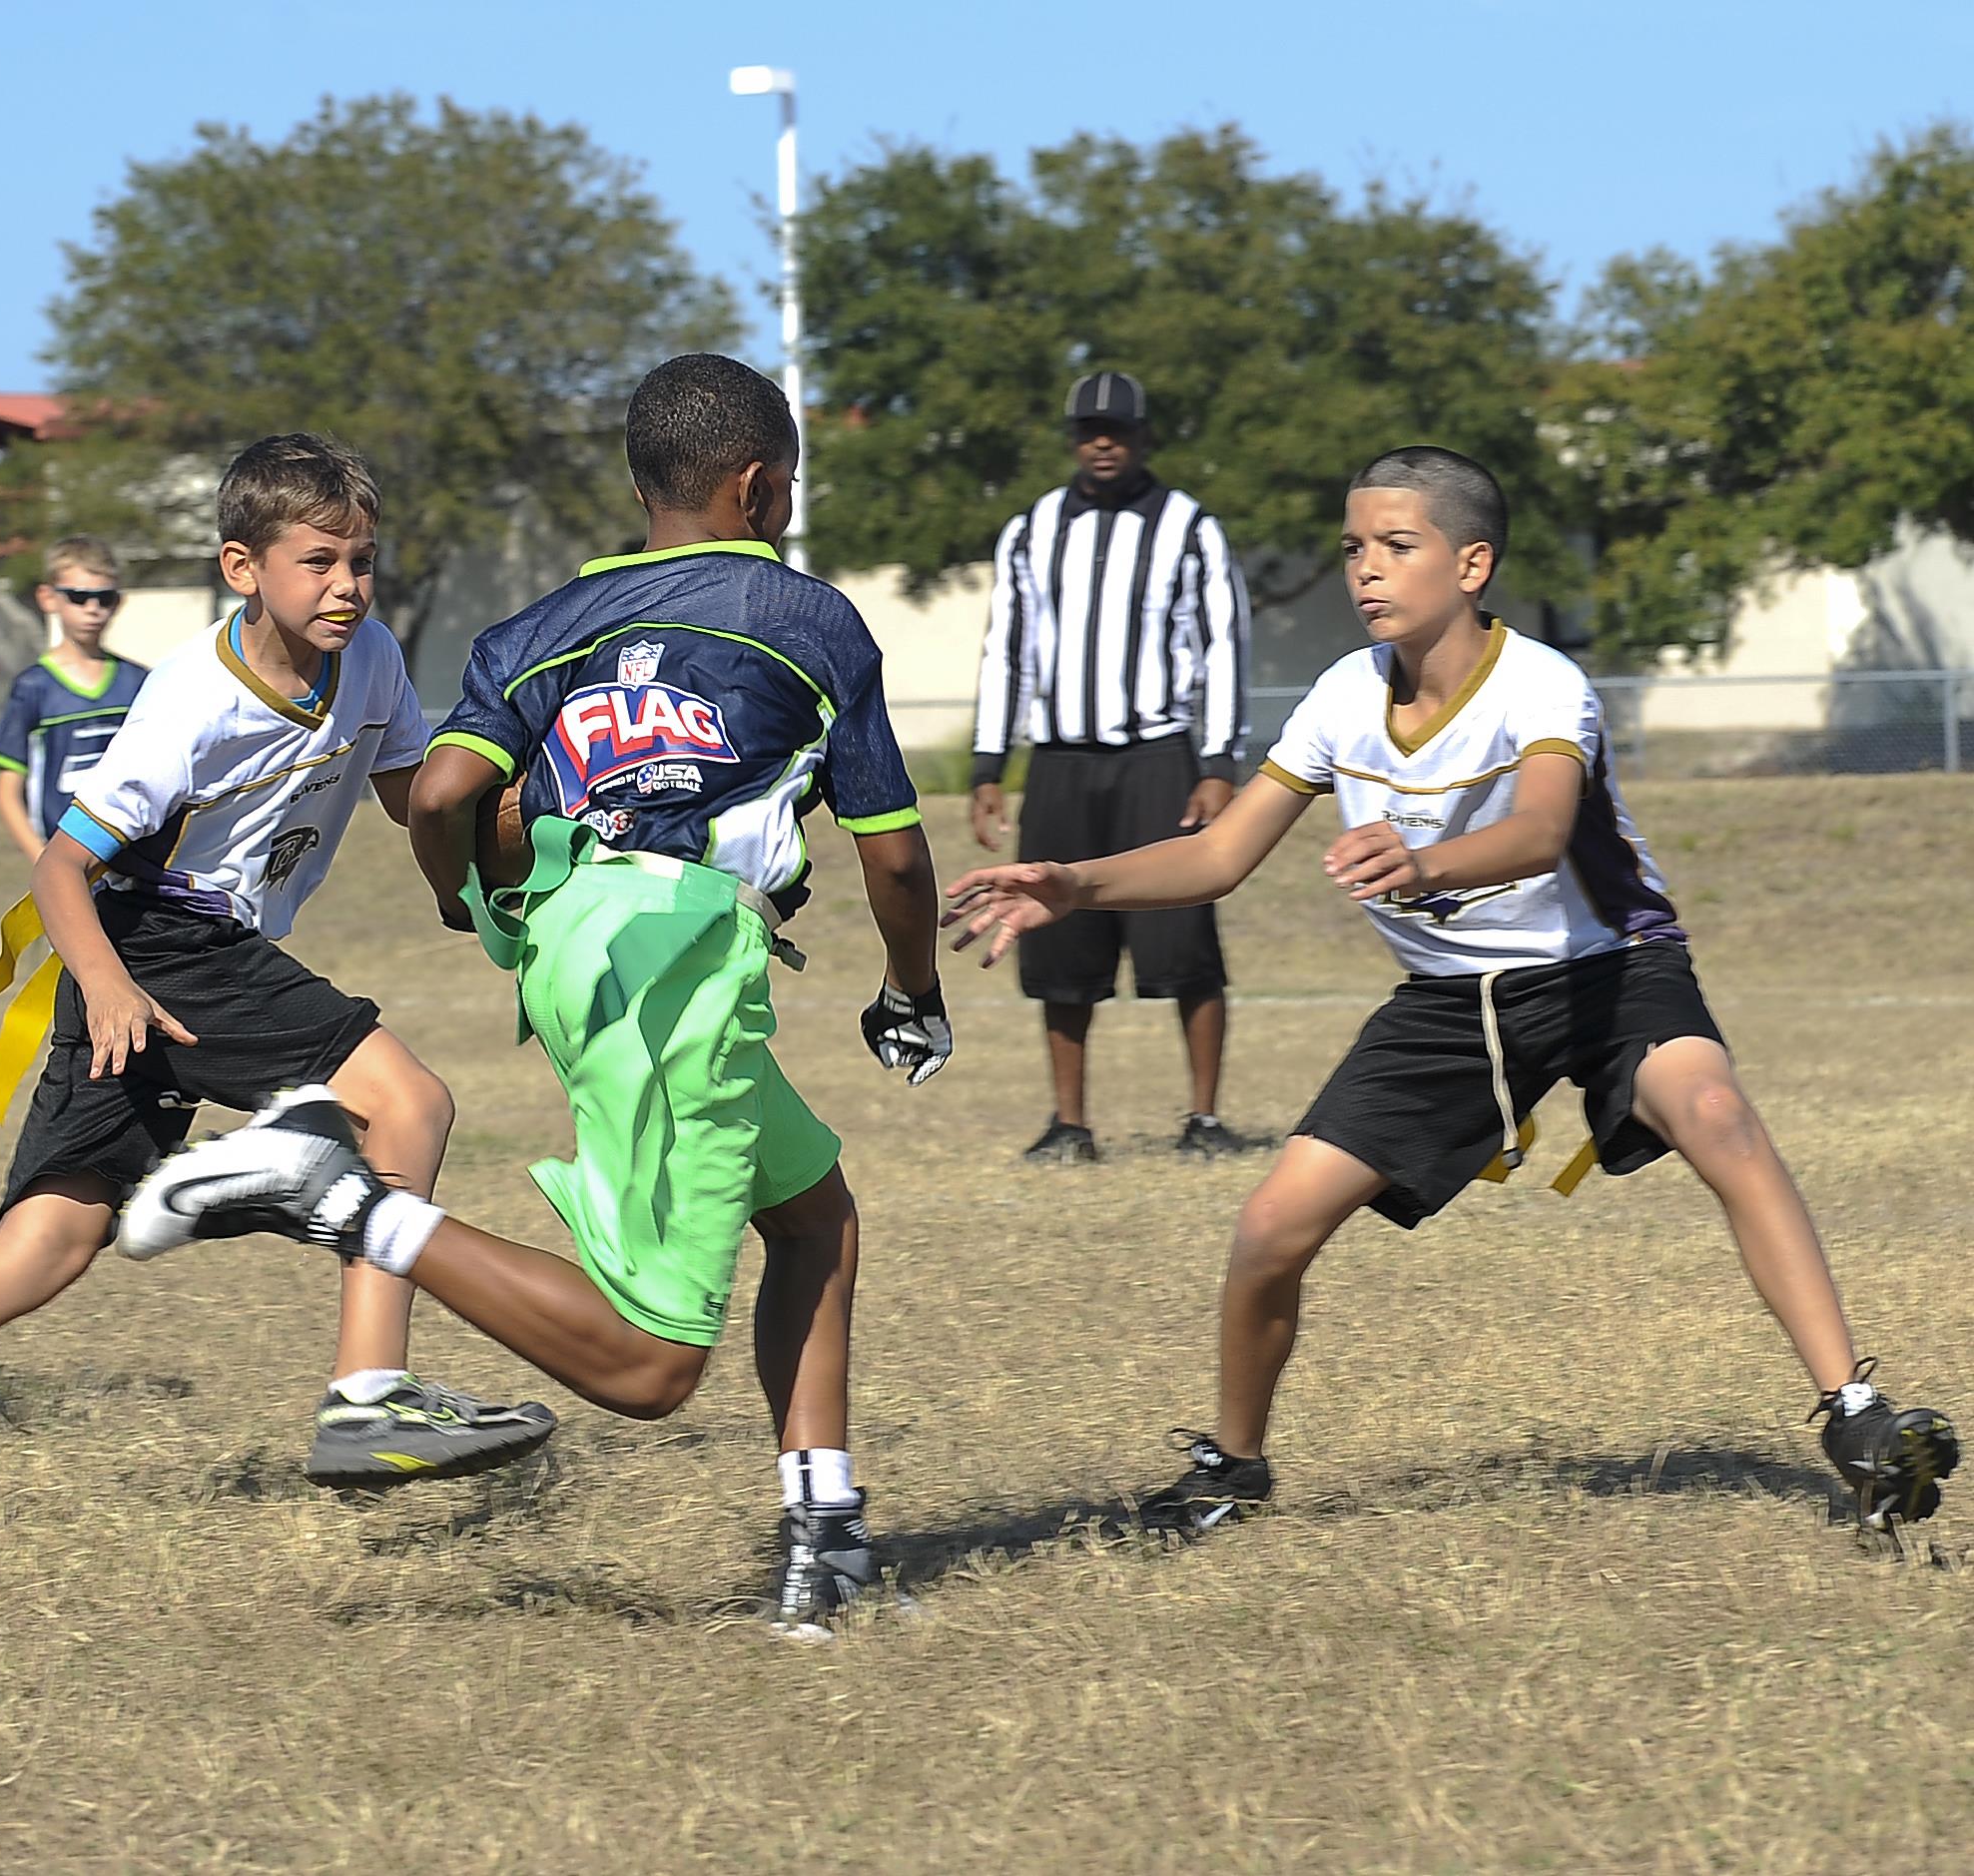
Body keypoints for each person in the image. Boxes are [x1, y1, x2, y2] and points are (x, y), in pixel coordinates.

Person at [946, 444, 1959, 1534]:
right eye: (1351, 549)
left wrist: (1425, 862)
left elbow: (1539, 830)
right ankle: (1231, 1469)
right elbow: (1220, 855)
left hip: (1609, 969)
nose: (1365, 571)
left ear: (1470, 563)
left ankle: (1854, 1414)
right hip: (1450, 1002)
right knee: (1268, 1228)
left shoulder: (1541, 683)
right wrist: (1074, 883)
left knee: (1714, 1112)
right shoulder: (1341, 696)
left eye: (1395, 545)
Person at [112, 355, 953, 1638]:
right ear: (761, 486)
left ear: (637, 487)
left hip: (573, 942)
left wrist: (472, 905)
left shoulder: (541, 624)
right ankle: (330, 1192)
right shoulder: (806, 615)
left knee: (815, 1216)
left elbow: (445, 797)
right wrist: (913, 991)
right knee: (652, 1362)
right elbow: (891, 851)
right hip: (678, 954)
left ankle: (825, 1535)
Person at [0, 433, 553, 1527]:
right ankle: (368, 1395)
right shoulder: (192, 698)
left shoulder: (371, 657)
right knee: (412, 1101)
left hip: (166, 961)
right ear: (243, 569)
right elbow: (62, 864)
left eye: (362, 560)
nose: (345, 585)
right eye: (318, 561)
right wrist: (104, 986)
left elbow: (414, 801)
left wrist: (534, 819)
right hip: (158, 944)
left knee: (46, 1243)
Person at [970, 370, 1252, 1162]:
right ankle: (1070, 1123)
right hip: (1059, 759)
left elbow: (1222, 645)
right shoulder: (1032, 530)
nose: (1104, 442)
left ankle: (1203, 1117)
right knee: (1056, 940)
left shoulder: (1190, 528)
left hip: (1158, 756)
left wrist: (1218, 760)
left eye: (1119, 430)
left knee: (1183, 937)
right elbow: (1008, 650)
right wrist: (991, 762)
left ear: (1143, 437)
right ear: (1072, 436)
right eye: (1090, 429)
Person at [0, 534, 149, 862]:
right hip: (64, 859)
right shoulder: (34, 686)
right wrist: (44, 860)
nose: (92, 609)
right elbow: (7, 789)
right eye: (78, 597)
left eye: (105, 598)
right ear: (48, 598)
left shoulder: (140, 681)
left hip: (134, 860)